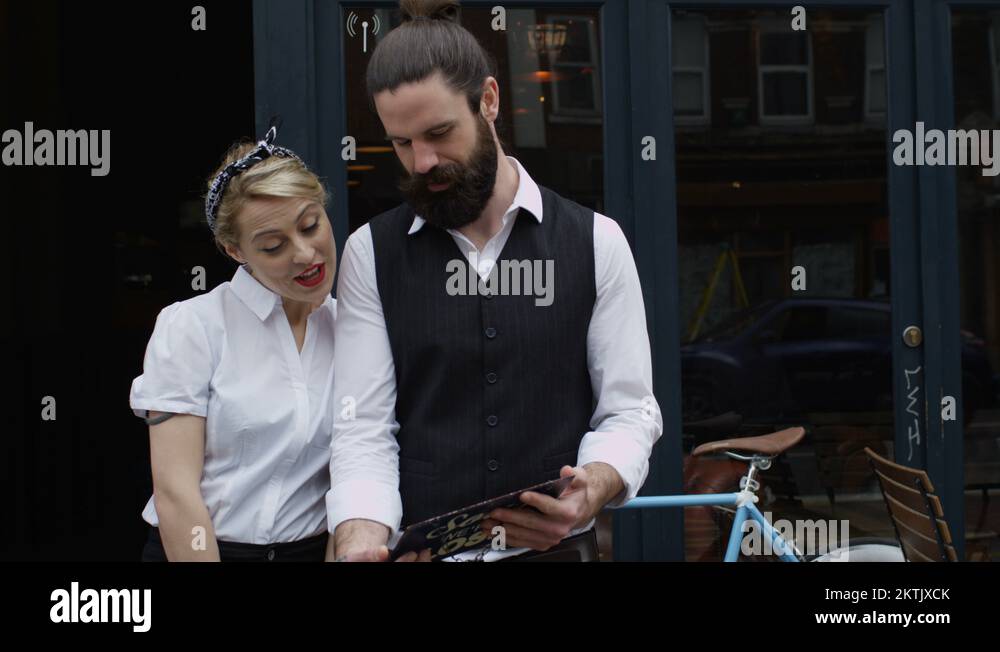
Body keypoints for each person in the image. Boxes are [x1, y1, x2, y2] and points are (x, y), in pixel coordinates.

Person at [327, 0, 663, 562]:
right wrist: (360, 534)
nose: (424, 162)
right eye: (402, 143)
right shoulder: (369, 253)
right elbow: (363, 428)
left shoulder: (597, 241)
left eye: (439, 133)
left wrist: (595, 485)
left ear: (488, 100)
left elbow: (629, 410)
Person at [130, 126, 339, 561]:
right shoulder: (193, 327)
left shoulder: (352, 327)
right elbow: (175, 491)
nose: (304, 254)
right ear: (235, 250)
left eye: (310, 225)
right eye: (273, 245)